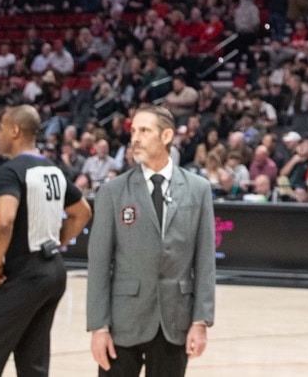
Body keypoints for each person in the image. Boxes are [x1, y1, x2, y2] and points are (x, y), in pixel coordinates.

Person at [86, 107, 214, 376]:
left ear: (166, 135)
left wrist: (200, 320)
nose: (135, 138)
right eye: (133, 131)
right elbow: (98, 263)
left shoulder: (198, 189)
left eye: (144, 131)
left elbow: (204, 261)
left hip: (174, 321)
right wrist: (99, 327)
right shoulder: (112, 191)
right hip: (123, 321)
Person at [0, 104, 91, 377]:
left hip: (23, 272)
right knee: (33, 363)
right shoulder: (53, 169)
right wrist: (56, 242)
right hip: (53, 271)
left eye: (0, 129)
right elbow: (82, 212)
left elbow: (4, 220)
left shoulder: (9, 172)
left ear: (15, 130)